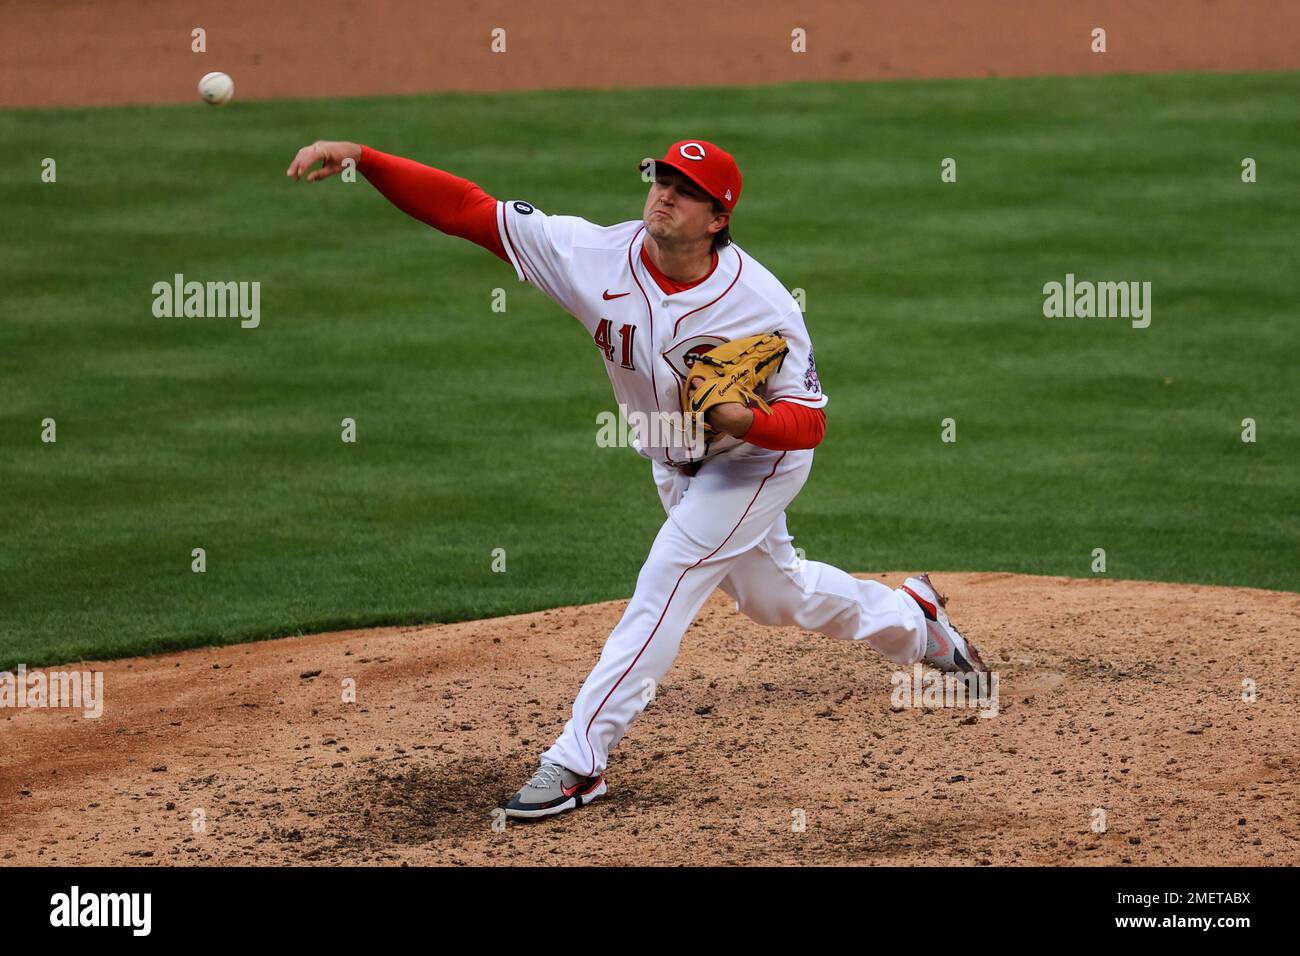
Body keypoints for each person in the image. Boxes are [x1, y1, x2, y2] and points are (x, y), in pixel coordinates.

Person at [286, 138, 989, 821]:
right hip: (673, 458)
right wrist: (367, 160)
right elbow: (470, 211)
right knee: (777, 597)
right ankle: (915, 623)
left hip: (754, 463)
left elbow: (809, 423)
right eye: (663, 180)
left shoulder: (762, 304)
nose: (667, 196)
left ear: (718, 219)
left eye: (689, 193)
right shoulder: (591, 254)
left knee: (669, 576)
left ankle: (578, 761)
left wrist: (746, 420)